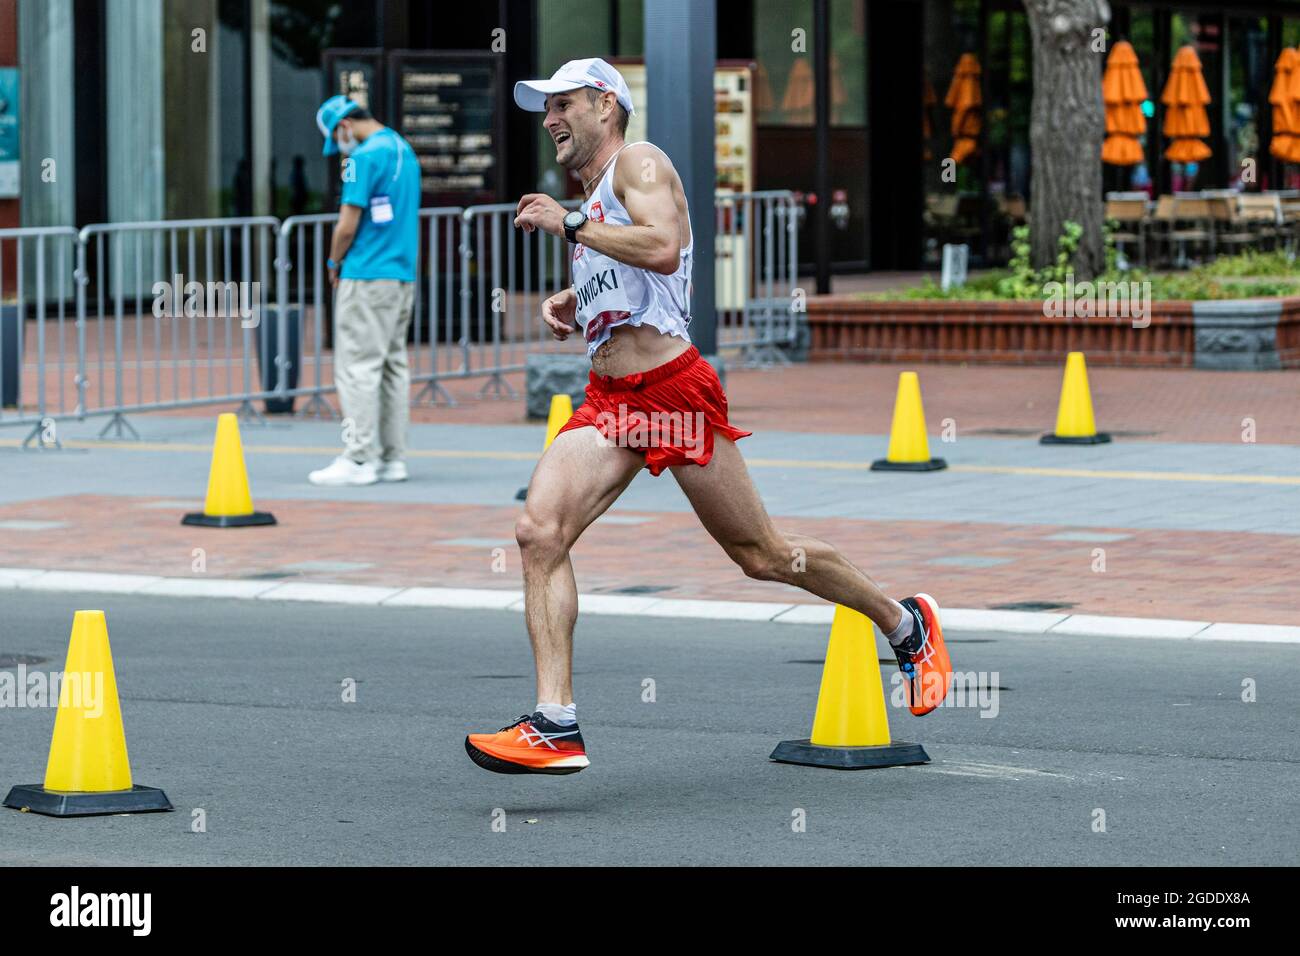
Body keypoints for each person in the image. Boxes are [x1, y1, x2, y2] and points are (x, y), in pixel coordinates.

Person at [465, 59, 952, 776]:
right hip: (611, 403)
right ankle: (554, 724)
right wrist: (579, 302)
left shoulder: (641, 162)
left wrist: (567, 223)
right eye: (545, 109)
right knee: (538, 530)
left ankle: (904, 624)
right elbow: (638, 278)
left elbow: (664, 247)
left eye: (562, 104)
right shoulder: (598, 194)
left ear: (605, 104)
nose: (550, 120)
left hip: (670, 395)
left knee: (762, 555)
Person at [308, 95, 420, 486]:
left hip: (366, 271)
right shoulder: (402, 148)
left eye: (336, 137)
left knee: (357, 367)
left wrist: (332, 262)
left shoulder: (361, 159)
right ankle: (392, 458)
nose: (339, 145)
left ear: (344, 126)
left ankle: (358, 457)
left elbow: (346, 225)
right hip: (401, 273)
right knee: (392, 366)